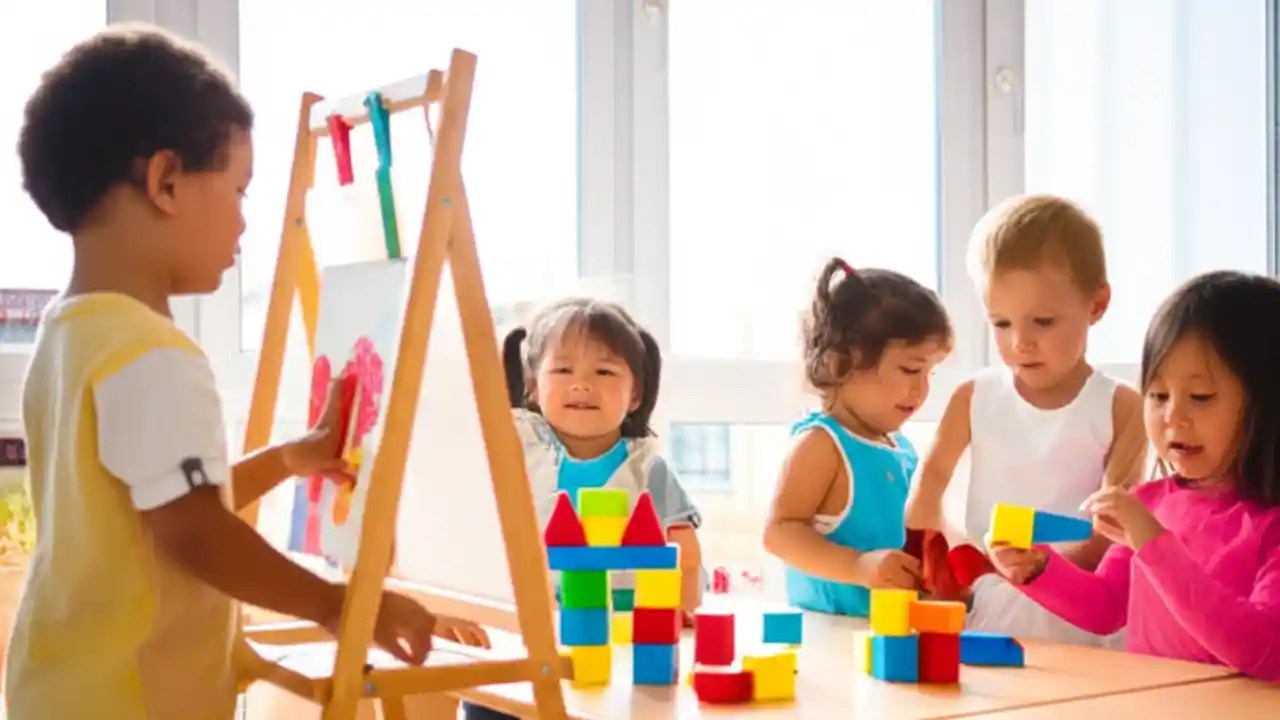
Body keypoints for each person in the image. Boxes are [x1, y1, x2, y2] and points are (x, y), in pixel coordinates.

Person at [3, 24, 483, 720]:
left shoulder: (70, 334)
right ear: (167, 181)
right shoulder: (153, 353)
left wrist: (288, 459)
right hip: (135, 700)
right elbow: (196, 534)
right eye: (237, 190)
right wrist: (341, 605)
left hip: (62, 685)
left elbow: (155, 502)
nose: (244, 223)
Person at [993, 270, 1280, 681]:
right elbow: (1107, 607)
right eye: (1158, 395)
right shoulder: (1151, 503)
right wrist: (1039, 569)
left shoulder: (1270, 526)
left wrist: (1154, 544)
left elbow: (1264, 649)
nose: (1173, 417)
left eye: (1201, 397)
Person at [903, 194, 1146, 645]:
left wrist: (1040, 568)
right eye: (1001, 323)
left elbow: (1114, 528)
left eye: (1043, 321)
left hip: (1079, 606)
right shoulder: (973, 396)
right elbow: (929, 482)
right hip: (992, 602)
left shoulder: (1123, 407)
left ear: (1097, 304)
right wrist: (932, 551)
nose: (1020, 343)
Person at [763, 257, 952, 616]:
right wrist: (858, 567)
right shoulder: (822, 445)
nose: (922, 388)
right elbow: (780, 532)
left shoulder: (901, 450)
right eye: (911, 369)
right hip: (829, 633)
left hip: (887, 632)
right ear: (841, 364)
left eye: (931, 372)